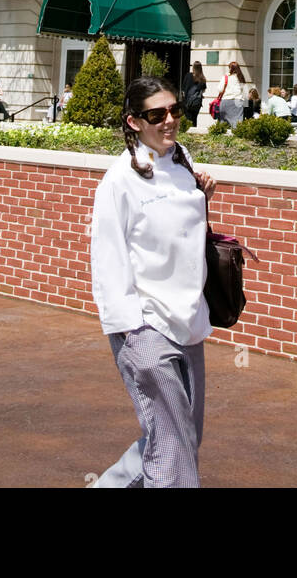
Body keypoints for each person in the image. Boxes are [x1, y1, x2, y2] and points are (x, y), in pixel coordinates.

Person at [89, 76, 216, 488]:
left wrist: (203, 197)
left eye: (175, 110)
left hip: (188, 319)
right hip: (145, 325)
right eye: (157, 114)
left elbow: (180, 233)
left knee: (180, 435)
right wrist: (131, 328)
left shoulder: (183, 161)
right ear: (134, 122)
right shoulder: (119, 180)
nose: (170, 120)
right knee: (173, 444)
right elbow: (107, 255)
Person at [217, 60, 246, 129]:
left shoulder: (226, 77)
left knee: (223, 125)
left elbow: (220, 89)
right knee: (237, 125)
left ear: (230, 68)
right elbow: (244, 91)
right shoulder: (241, 78)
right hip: (238, 101)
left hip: (226, 100)